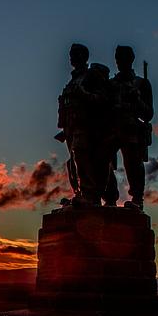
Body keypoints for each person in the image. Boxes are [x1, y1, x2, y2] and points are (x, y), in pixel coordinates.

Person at [57, 45, 114, 206]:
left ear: (84, 56)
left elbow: (103, 99)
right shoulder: (73, 80)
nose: (71, 57)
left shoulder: (92, 76)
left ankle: (91, 194)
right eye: (71, 54)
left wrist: (83, 94)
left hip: (87, 126)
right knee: (77, 162)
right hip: (71, 127)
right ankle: (84, 193)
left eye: (75, 54)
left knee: (85, 158)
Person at [110, 45, 153, 210]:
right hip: (112, 129)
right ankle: (109, 197)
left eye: (123, 58)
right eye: (117, 58)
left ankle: (137, 198)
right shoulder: (111, 84)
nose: (119, 61)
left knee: (133, 164)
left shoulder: (141, 83)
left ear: (131, 59)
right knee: (103, 161)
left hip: (131, 130)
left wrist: (138, 101)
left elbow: (148, 114)